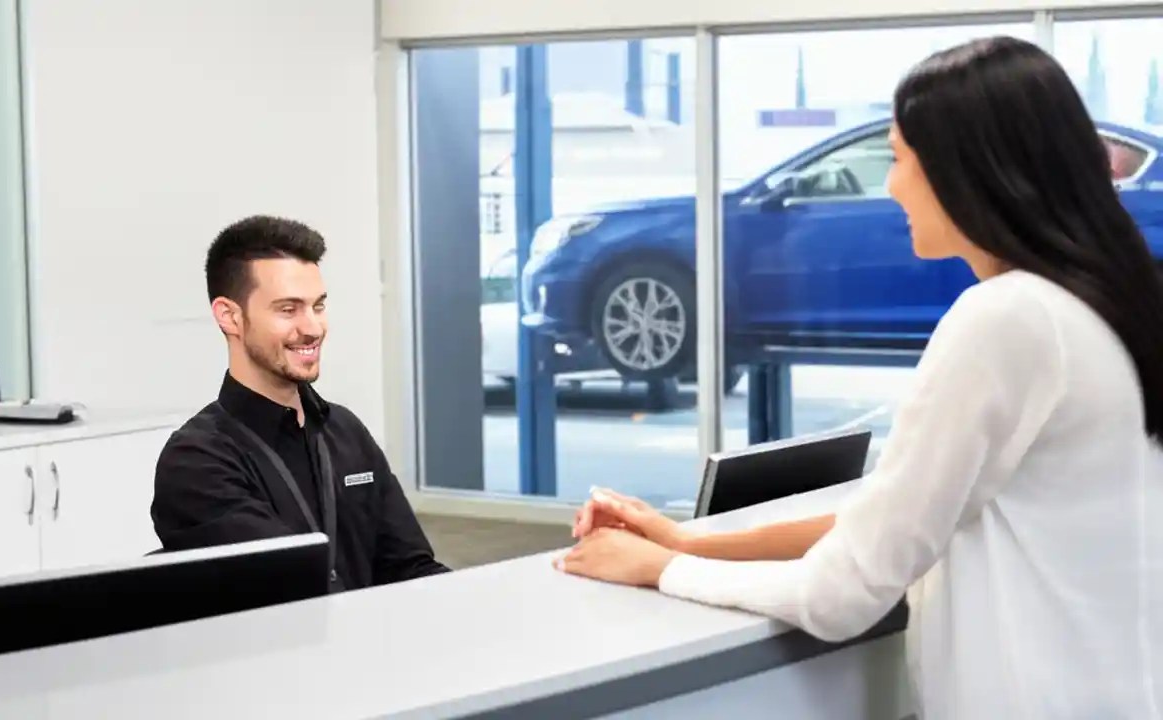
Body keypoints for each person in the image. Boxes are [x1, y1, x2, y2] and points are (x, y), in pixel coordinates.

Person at [555, 37, 1163, 719]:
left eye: (899, 159)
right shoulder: (1107, 303)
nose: (892, 185)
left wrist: (660, 571)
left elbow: (842, 594)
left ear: (968, 170)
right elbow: (903, 515)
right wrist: (685, 537)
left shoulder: (1008, 318)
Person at [152, 215, 449, 592]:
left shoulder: (346, 431)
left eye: (318, 306)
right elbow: (290, 591)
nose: (312, 328)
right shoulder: (197, 460)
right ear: (230, 317)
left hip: (370, 642)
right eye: (288, 309)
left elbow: (410, 568)